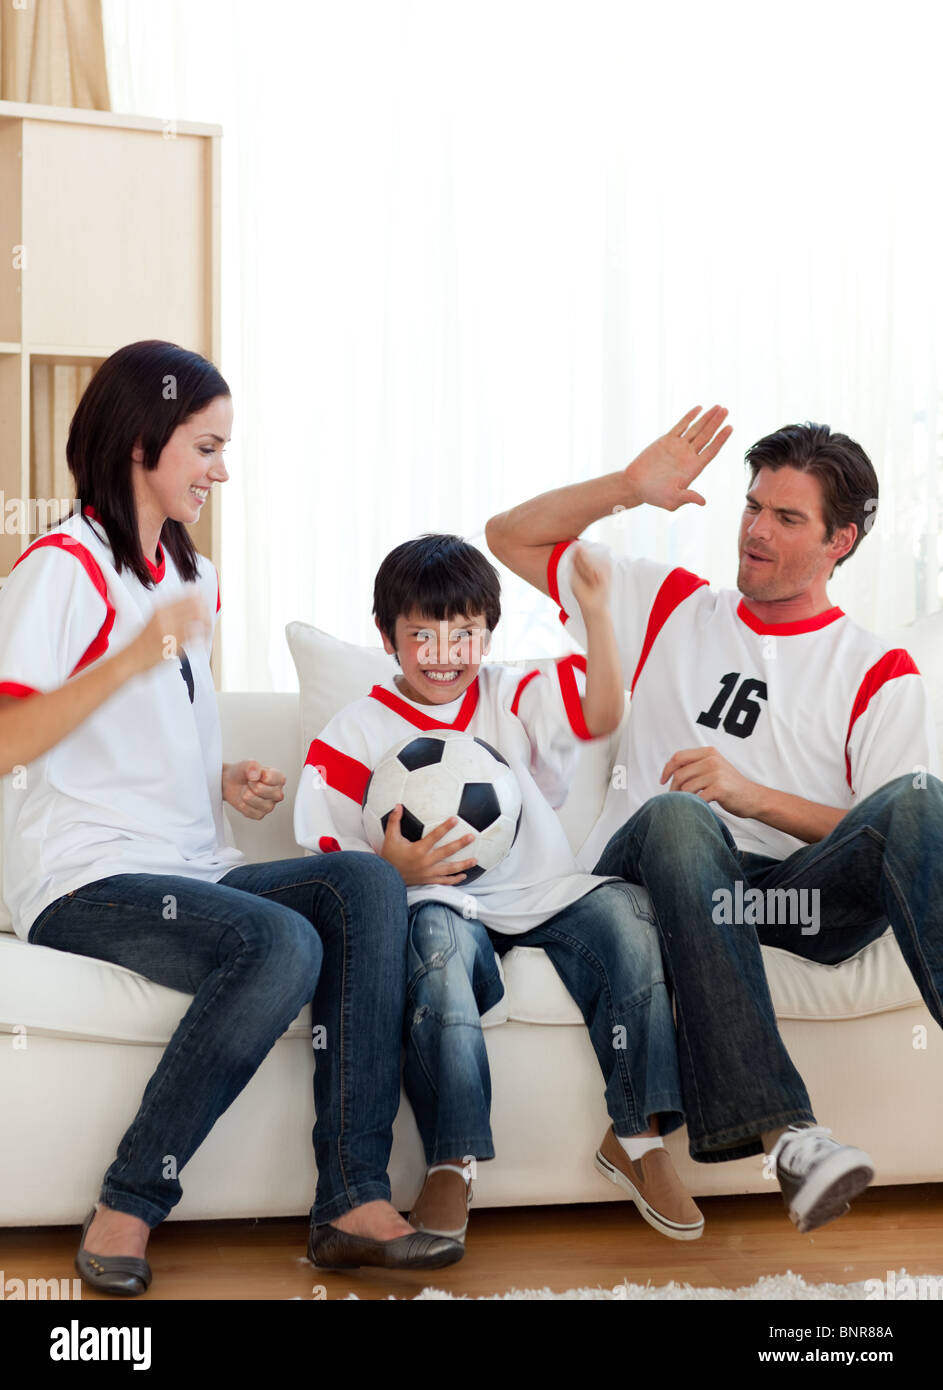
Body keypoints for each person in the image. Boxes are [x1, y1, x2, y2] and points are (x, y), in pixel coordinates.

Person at [0, 340, 463, 1295]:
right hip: (83, 878)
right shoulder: (57, 569)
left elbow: (136, 732)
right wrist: (130, 657)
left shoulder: (193, 575)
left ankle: (350, 1199)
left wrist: (219, 776)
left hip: (188, 866)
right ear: (141, 443)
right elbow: (11, 738)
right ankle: (129, 1205)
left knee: (367, 881)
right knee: (282, 945)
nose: (221, 470)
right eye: (206, 447)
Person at [485, 407, 943, 1235]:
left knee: (917, 797)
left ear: (839, 541)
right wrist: (627, 489)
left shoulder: (878, 669)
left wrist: (754, 795)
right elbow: (508, 537)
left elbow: (878, 838)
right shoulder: (667, 605)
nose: (756, 530)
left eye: (786, 517)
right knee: (679, 816)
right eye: (752, 506)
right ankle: (788, 1137)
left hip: (787, 901)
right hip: (660, 872)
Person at [295, 532, 705, 1245]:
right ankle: (451, 1160)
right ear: (384, 636)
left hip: (543, 890)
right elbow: (327, 861)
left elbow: (602, 714)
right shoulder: (353, 731)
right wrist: (397, 871)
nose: (444, 654)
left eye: (465, 634)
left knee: (629, 913)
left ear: (487, 635)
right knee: (436, 959)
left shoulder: (510, 690)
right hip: (437, 904)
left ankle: (638, 1139)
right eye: (421, 634)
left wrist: (598, 612)